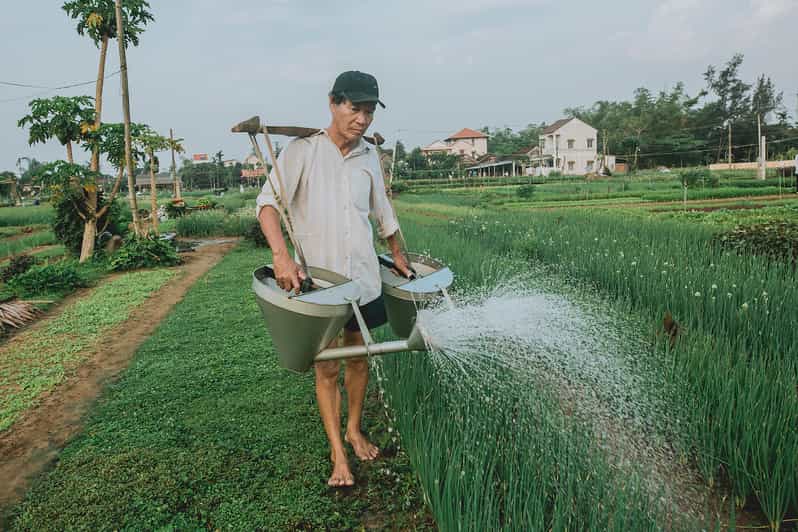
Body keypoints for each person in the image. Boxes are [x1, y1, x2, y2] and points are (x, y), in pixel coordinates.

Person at [255, 71, 411, 487]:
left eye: (369, 110)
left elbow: (384, 215)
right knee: (326, 370)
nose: (362, 119)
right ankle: (338, 454)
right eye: (354, 108)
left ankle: (354, 430)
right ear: (333, 103)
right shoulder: (303, 151)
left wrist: (398, 256)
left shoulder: (369, 158)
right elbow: (267, 205)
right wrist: (281, 257)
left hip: (363, 279)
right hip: (321, 286)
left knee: (359, 358)